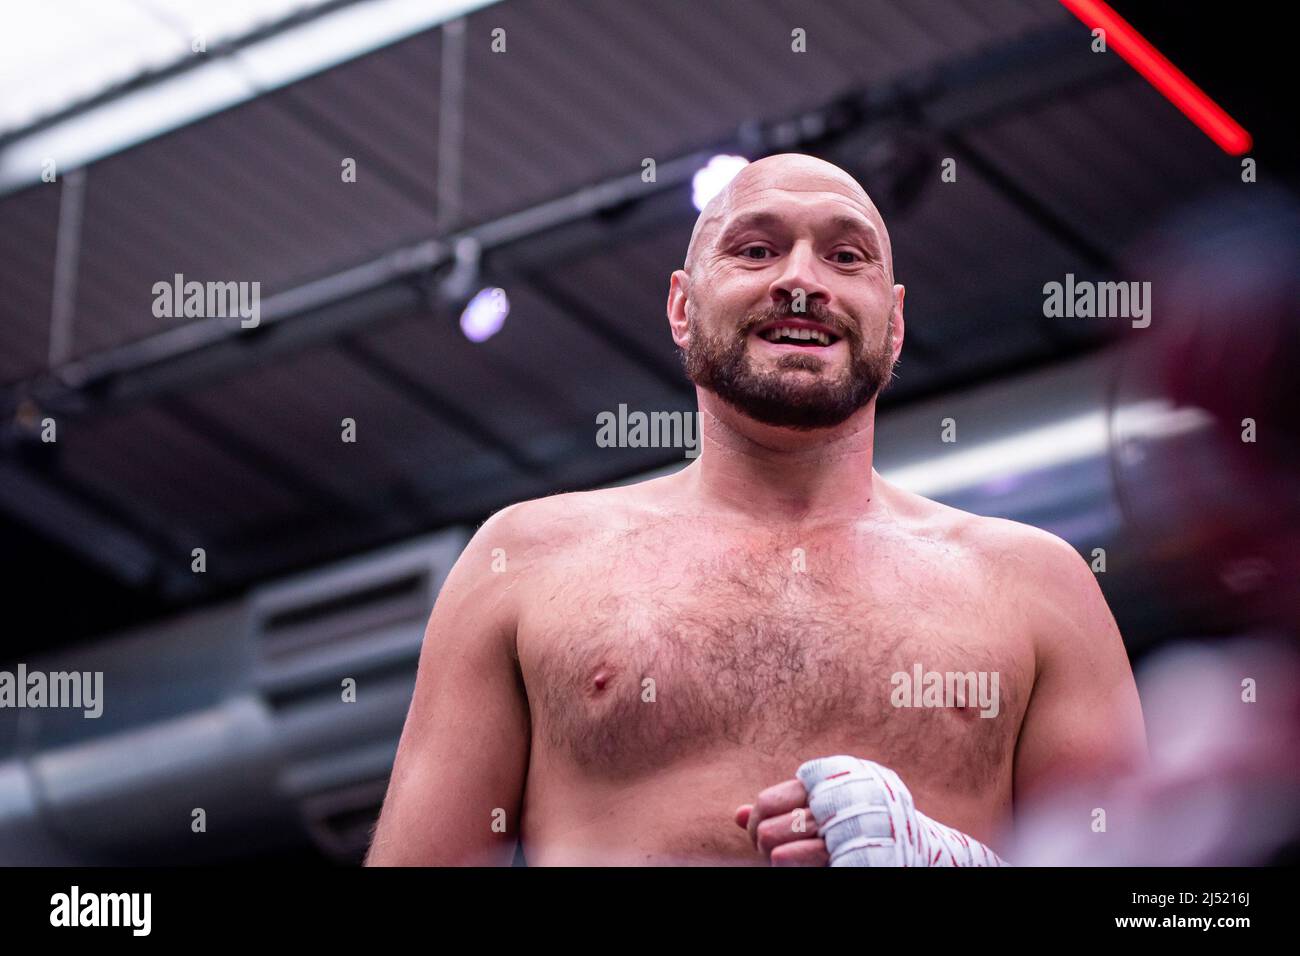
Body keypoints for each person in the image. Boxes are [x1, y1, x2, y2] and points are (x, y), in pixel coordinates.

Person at [364, 153, 1147, 866]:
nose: (802, 281)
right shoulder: (527, 559)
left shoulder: (1036, 584)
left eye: (846, 256)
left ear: (897, 320)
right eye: (755, 249)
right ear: (681, 305)